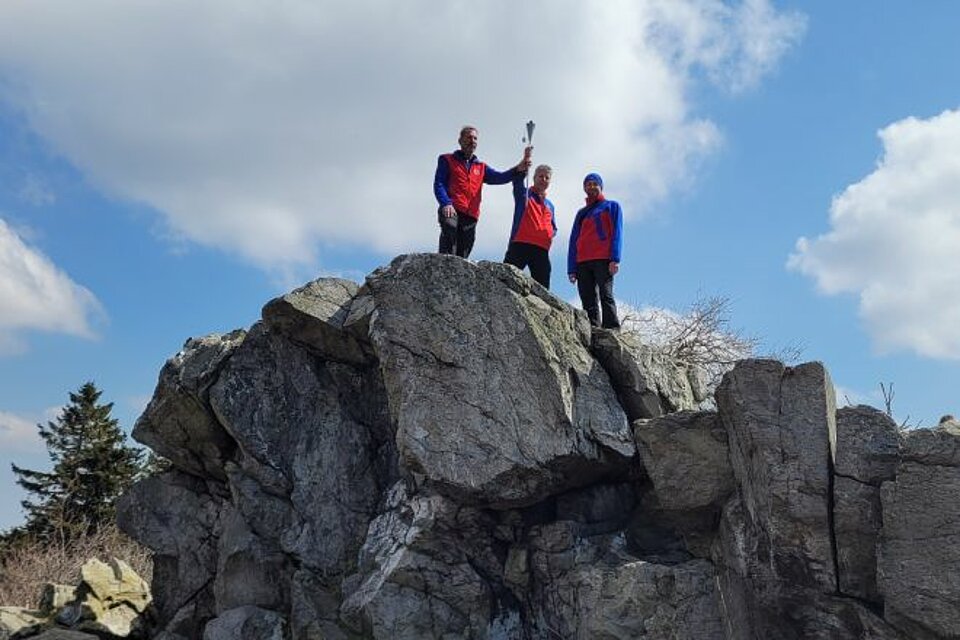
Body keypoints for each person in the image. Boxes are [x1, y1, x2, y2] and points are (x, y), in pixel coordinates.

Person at [434, 125, 530, 258]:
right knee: (450, 228)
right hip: (452, 208)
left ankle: (457, 273)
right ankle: (442, 264)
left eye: (475, 138)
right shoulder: (447, 159)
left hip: (471, 214)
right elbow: (439, 183)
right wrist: (446, 203)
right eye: (469, 137)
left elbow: (500, 177)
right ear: (460, 140)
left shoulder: (481, 167)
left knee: (465, 248)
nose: (472, 141)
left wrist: (519, 168)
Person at [567, 172, 622, 329]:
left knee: (606, 294)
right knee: (588, 298)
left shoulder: (612, 206)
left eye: (594, 184)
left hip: (603, 258)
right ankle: (593, 329)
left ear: (601, 187)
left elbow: (617, 233)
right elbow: (573, 240)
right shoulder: (581, 213)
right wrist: (571, 268)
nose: (591, 186)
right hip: (582, 261)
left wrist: (615, 258)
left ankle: (612, 328)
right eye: (588, 184)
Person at [504, 164, 556, 288]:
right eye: (540, 176)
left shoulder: (550, 205)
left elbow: (554, 226)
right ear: (534, 178)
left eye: (547, 177)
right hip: (520, 243)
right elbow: (517, 182)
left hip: (541, 249)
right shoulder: (524, 194)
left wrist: (550, 233)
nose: (543, 179)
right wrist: (523, 167)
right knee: (506, 277)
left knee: (543, 287)